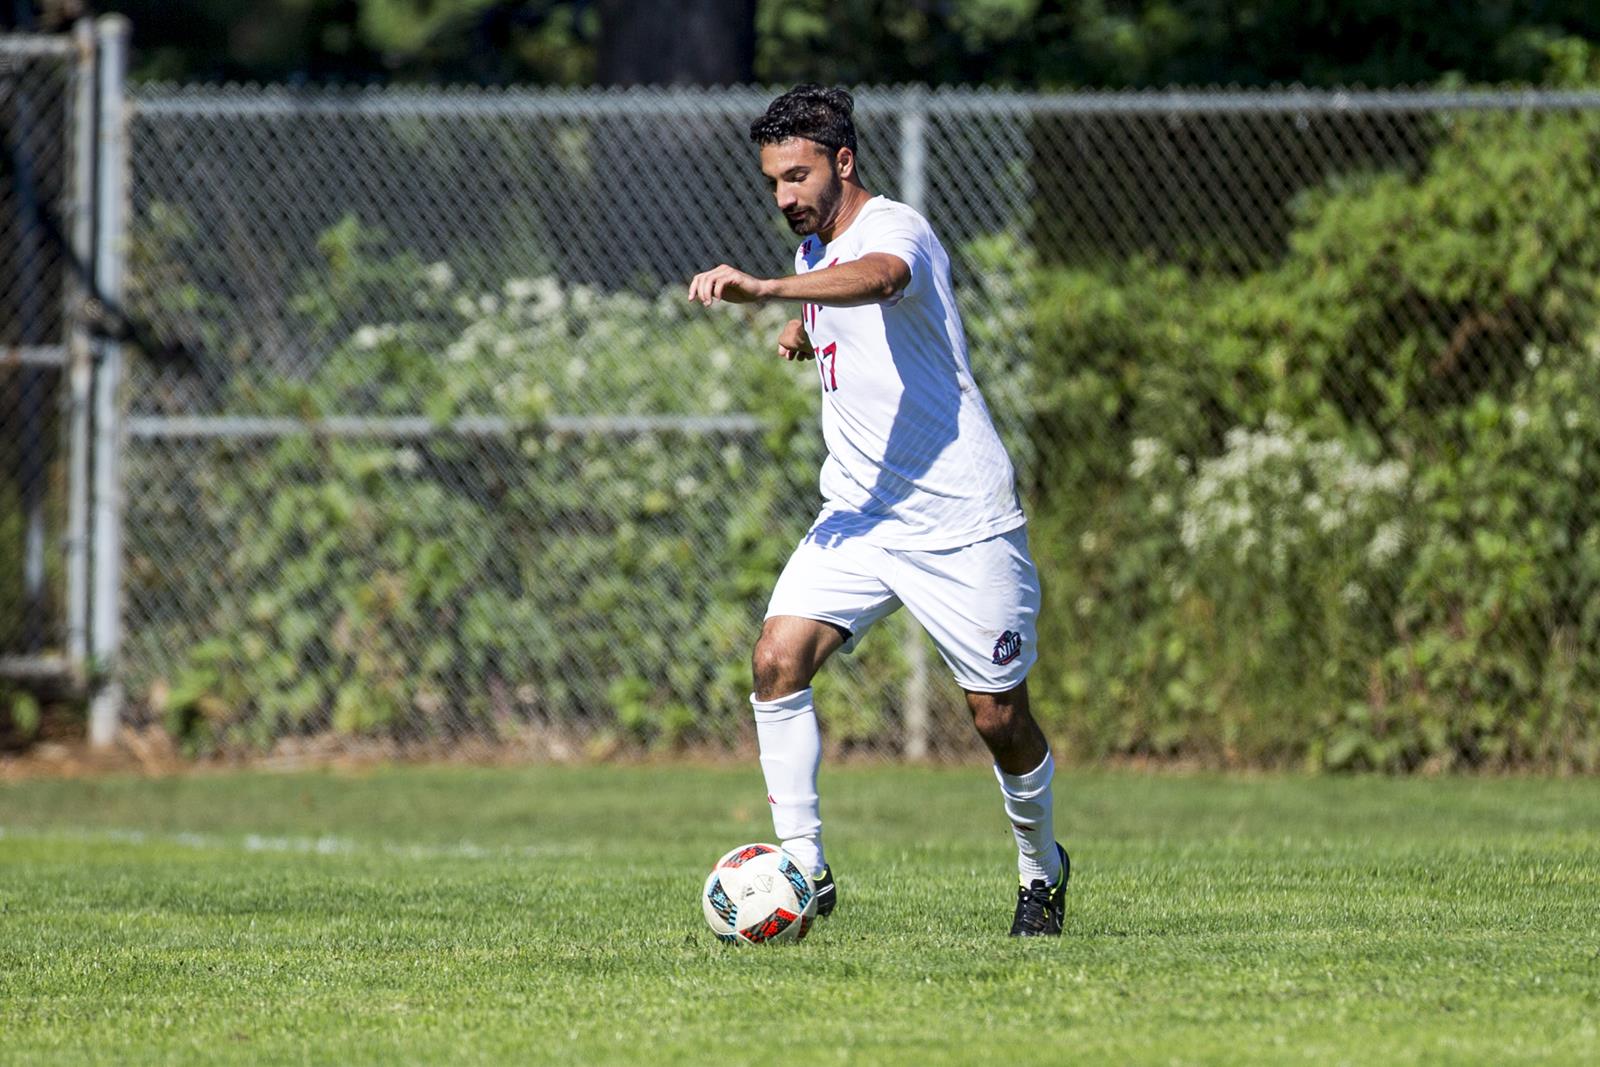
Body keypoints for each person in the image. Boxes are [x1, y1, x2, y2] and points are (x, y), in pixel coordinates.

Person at [687, 84, 1069, 936]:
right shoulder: (820, 249)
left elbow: (885, 279)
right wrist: (803, 322)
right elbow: (835, 293)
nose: (785, 197)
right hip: (860, 514)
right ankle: (805, 869)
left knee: (996, 716)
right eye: (773, 182)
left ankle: (1041, 870)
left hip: (959, 518)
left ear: (844, 162)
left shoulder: (895, 229)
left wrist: (774, 293)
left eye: (798, 176)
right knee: (777, 658)